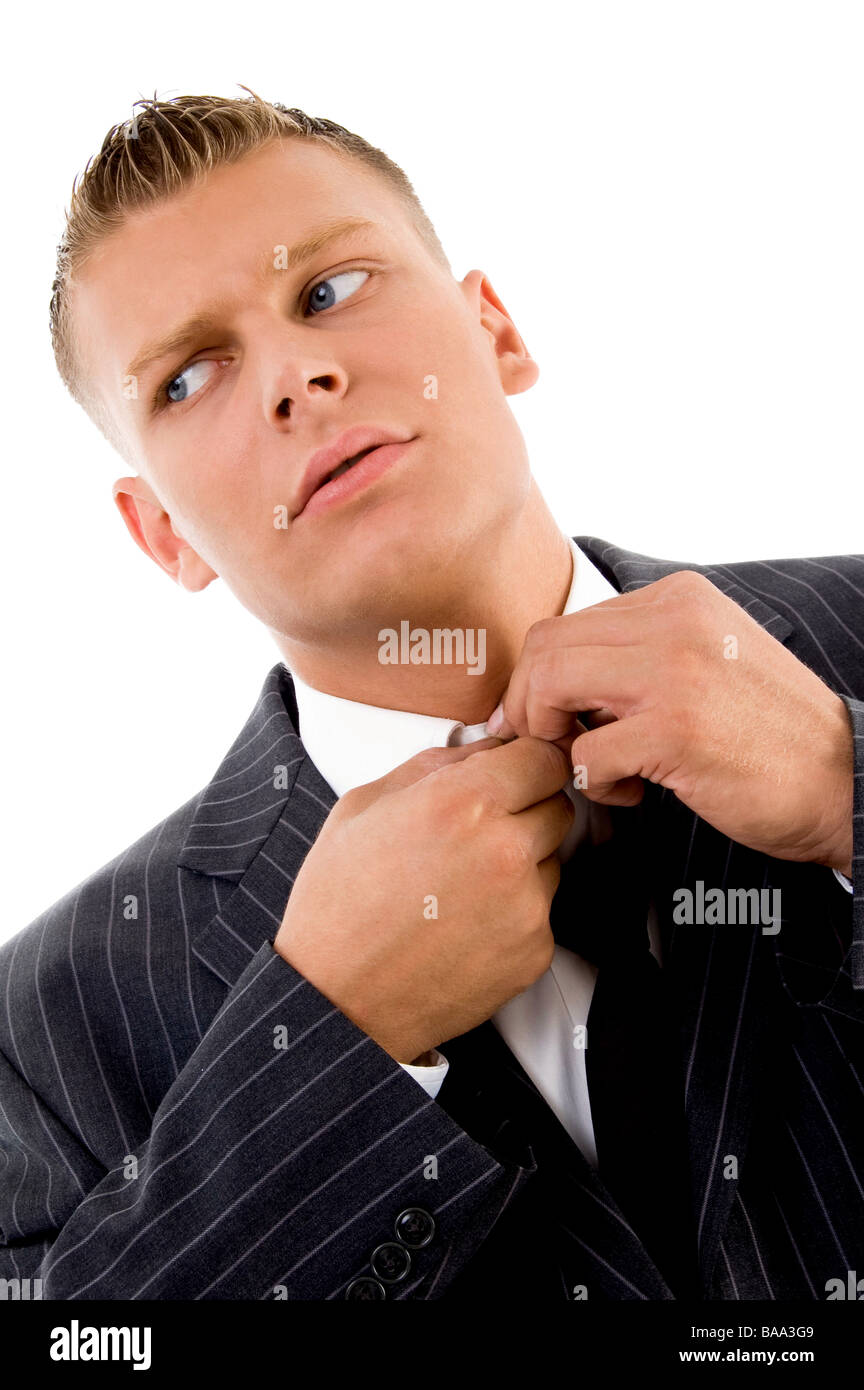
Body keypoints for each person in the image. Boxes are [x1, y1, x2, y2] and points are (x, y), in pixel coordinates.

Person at [0, 89, 860, 1301]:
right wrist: (325, 1049)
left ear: (496, 331)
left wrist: (844, 788)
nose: (296, 373)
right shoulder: (43, 1036)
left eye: (329, 290)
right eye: (188, 378)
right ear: (163, 536)